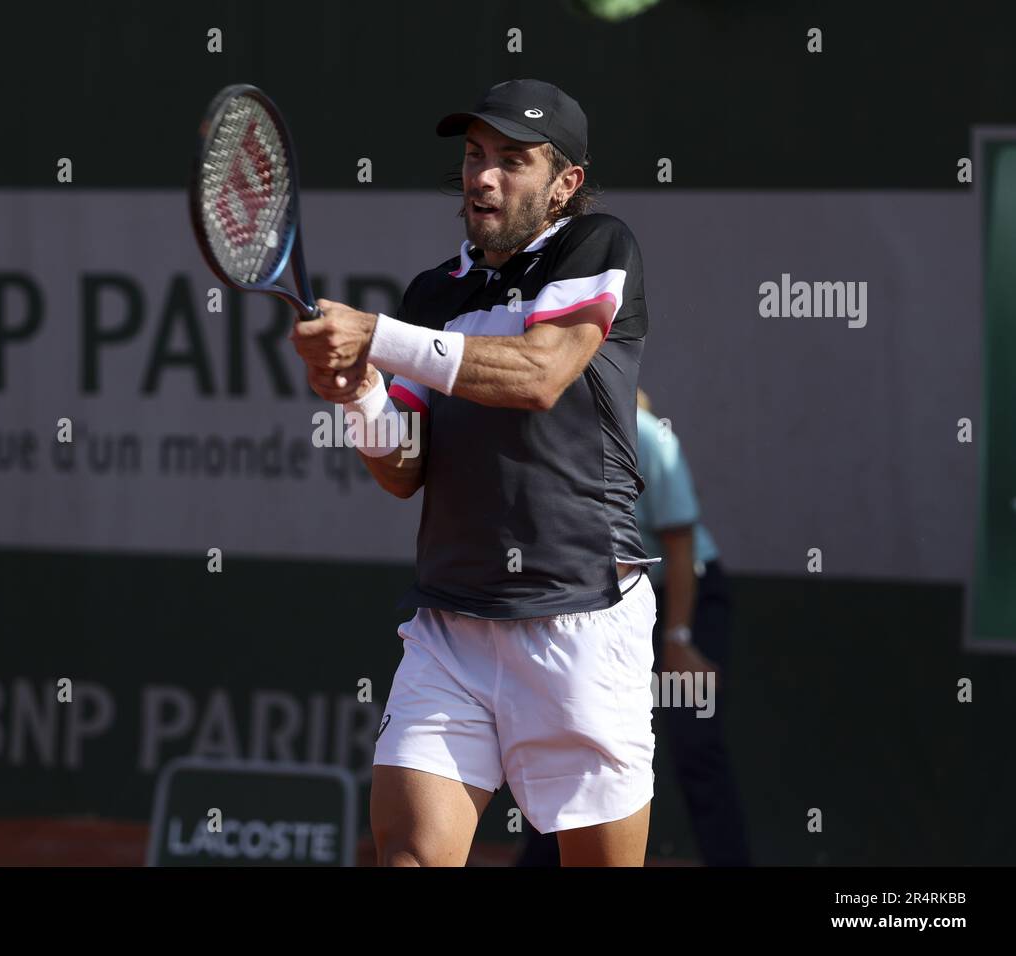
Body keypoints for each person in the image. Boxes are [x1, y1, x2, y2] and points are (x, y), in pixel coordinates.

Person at [289, 79, 659, 866]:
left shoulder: (596, 247)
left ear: (566, 183)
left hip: (580, 618)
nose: (484, 177)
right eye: (474, 156)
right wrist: (357, 390)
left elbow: (539, 374)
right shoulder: (434, 293)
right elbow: (403, 470)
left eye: (513, 161)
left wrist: (376, 337)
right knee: (410, 856)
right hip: (450, 626)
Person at [516, 389, 752, 866]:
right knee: (576, 732)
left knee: (693, 743)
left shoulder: (648, 438)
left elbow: (681, 545)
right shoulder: (544, 441)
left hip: (684, 598)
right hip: (606, 601)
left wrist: (679, 638)